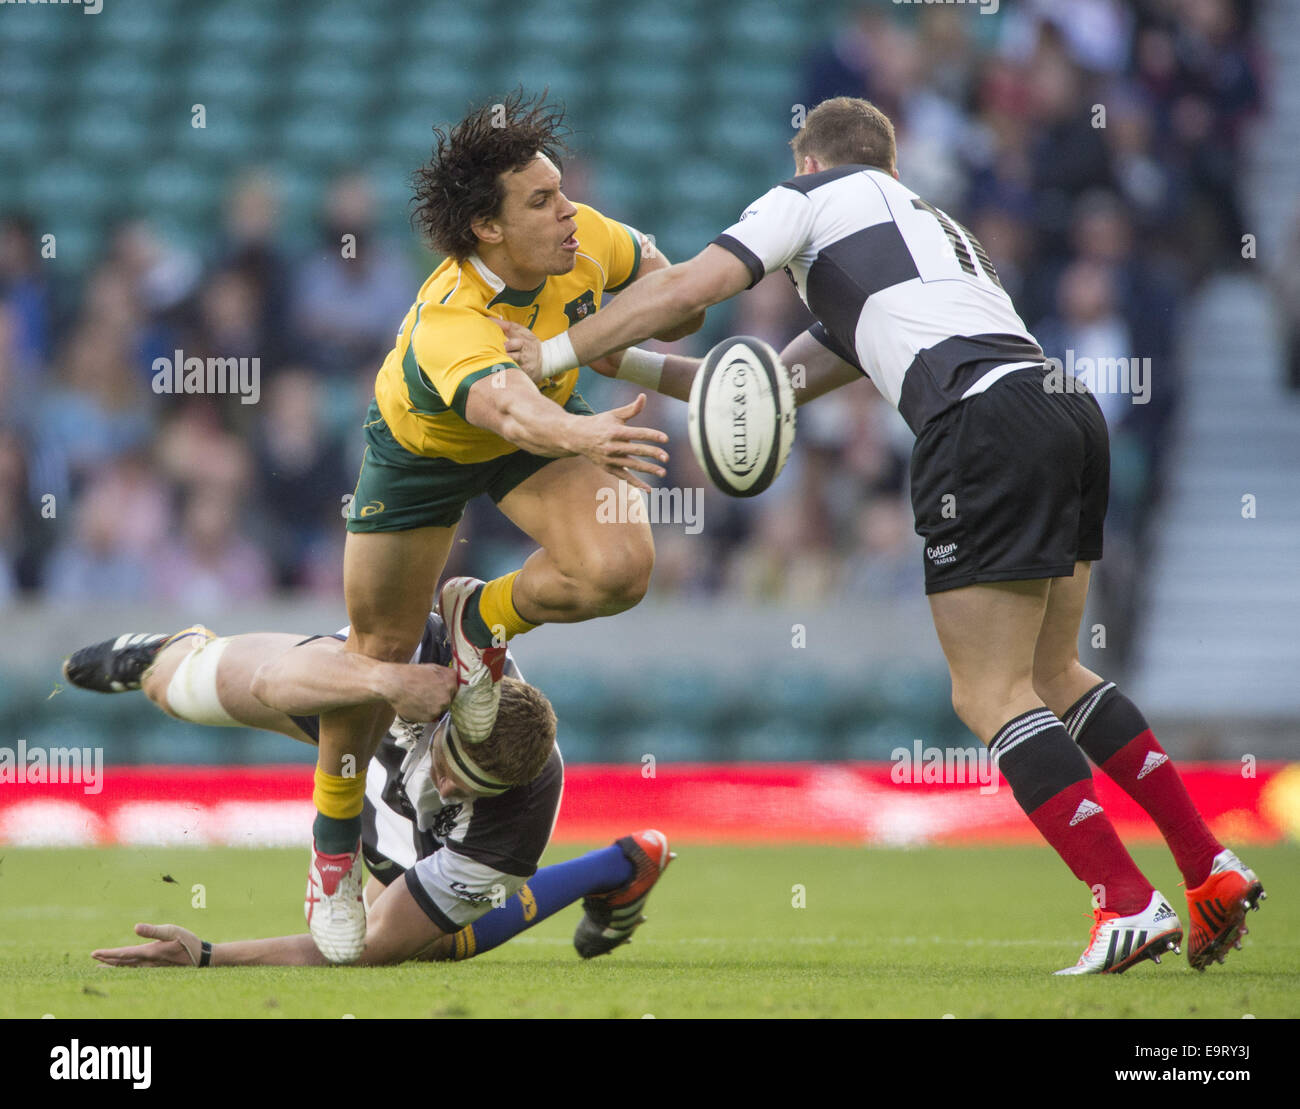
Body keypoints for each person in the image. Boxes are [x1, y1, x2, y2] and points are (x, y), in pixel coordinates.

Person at [500, 96, 1264, 975]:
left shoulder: (811, 197)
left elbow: (687, 288)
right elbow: (763, 387)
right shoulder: (928, 238)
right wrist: (620, 359)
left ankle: (1126, 903)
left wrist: (555, 353)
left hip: (976, 423)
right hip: (1058, 406)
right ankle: (1209, 865)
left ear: (811, 161)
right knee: (1055, 673)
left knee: (989, 692)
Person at [309, 88, 701, 962]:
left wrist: (623, 328)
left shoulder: (585, 239)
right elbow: (513, 413)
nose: (569, 211)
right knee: (370, 664)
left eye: (561, 191)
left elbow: (684, 303)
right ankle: (331, 861)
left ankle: (479, 617)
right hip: (426, 452)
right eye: (542, 200)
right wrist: (590, 430)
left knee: (620, 568)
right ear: (488, 229)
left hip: (544, 421)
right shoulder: (452, 323)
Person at [64, 621, 673, 968]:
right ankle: (174, 647)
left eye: (472, 788)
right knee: (176, 689)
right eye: (451, 764)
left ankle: (622, 863)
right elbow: (275, 682)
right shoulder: (428, 649)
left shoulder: (514, 826)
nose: (450, 785)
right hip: (364, 713)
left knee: (423, 944)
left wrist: (209, 956)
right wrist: (382, 678)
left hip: (420, 820)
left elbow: (370, 946)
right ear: (452, 716)